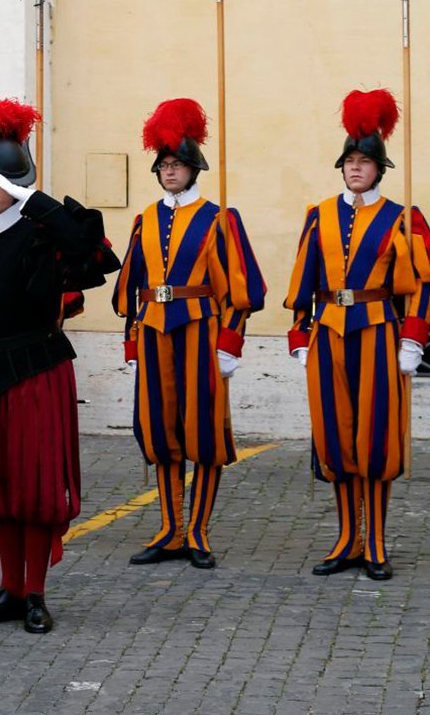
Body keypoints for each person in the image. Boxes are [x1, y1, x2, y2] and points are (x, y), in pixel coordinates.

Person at [0, 99, 119, 633]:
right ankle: (10, 589)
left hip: (36, 373)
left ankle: (35, 592)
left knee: (35, 487)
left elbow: (96, 255)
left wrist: (34, 199)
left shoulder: (44, 232)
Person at [112, 98, 266, 570]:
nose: (170, 171)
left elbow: (242, 290)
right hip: (156, 332)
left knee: (202, 436)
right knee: (161, 435)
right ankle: (169, 528)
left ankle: (196, 531)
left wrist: (229, 345)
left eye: (177, 164)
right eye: (164, 165)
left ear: (193, 167)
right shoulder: (145, 219)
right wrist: (133, 341)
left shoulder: (219, 218)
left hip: (200, 333)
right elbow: (133, 289)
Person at [285, 89, 429, 581]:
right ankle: (347, 538)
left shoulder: (402, 219)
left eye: (364, 161)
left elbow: (421, 285)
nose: (354, 168)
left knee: (376, 440)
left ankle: (377, 543)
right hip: (327, 333)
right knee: (335, 436)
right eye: (349, 160)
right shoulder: (319, 214)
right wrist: (299, 334)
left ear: (379, 169)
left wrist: (413, 340)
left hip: (377, 333)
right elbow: (304, 277)